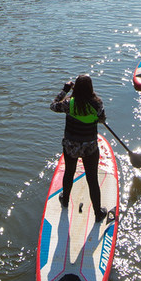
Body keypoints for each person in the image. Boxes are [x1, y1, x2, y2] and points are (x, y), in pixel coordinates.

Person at [49, 74, 108, 220]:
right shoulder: (98, 104)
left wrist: (65, 90)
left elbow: (53, 105)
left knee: (69, 172)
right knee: (92, 179)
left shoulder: (68, 103)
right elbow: (102, 120)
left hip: (71, 147)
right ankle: (98, 213)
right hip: (90, 148)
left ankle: (65, 200)